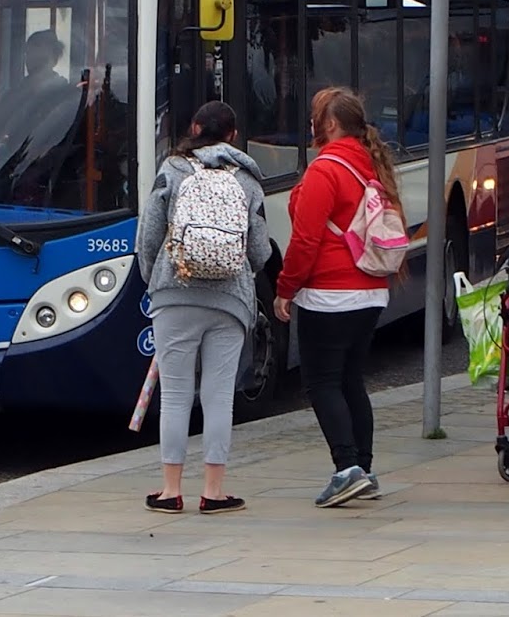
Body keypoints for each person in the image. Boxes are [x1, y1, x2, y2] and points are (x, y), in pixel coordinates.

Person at [274, 87, 406, 508]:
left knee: (322, 382)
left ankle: (346, 469)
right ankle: (364, 469)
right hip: (371, 293)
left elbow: (306, 239)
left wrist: (285, 289)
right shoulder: (371, 165)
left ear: (329, 124)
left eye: (315, 117)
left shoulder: (325, 170)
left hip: (330, 294)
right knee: (351, 380)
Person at [136, 101, 270, 514]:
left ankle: (169, 491)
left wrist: (156, 279)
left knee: (176, 394)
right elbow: (260, 251)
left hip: (174, 295)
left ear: (194, 128)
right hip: (229, 301)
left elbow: (148, 238)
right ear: (233, 135)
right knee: (217, 395)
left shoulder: (171, 172)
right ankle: (213, 492)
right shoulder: (248, 179)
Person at [0, 29, 74, 151]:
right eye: (29, 54)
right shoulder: (14, 97)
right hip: (18, 168)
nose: (31, 60)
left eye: (42, 62)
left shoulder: (70, 97)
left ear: (55, 60)